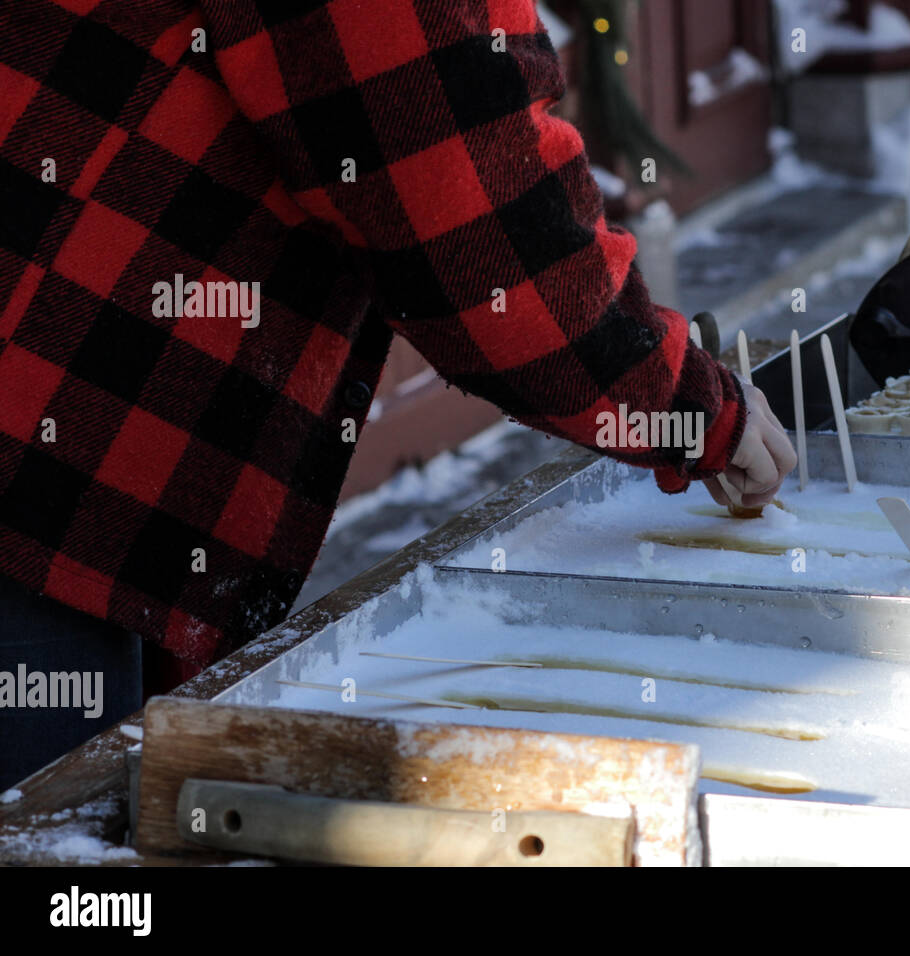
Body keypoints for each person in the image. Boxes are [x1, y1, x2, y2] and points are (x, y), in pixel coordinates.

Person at [0, 0, 797, 788]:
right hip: (44, 483)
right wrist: (689, 404)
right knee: (57, 842)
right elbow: (462, 202)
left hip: (63, 458)